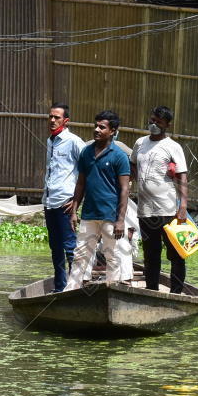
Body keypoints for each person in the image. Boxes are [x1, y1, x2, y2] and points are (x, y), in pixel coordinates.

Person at [65, 111, 132, 290]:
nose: (96, 130)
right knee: (80, 254)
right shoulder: (86, 152)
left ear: (113, 131)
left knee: (112, 255)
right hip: (89, 213)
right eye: (96, 126)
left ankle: (113, 288)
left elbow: (125, 190)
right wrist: (74, 211)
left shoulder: (119, 156)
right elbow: (80, 184)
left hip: (111, 215)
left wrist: (120, 220)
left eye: (102, 127)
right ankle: (71, 289)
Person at [131, 106, 190, 293]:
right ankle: (152, 291)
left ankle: (176, 293)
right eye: (153, 119)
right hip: (145, 211)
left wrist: (183, 207)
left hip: (168, 211)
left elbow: (182, 177)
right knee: (150, 255)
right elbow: (132, 165)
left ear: (167, 125)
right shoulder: (140, 143)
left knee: (176, 254)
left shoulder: (173, 147)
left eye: (159, 122)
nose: (154, 124)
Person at [42, 103, 82, 293]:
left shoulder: (74, 141)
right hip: (49, 202)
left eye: (57, 117)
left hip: (65, 203)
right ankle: (60, 288)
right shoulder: (51, 141)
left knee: (70, 249)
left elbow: (87, 171)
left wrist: (76, 202)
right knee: (55, 249)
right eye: (50, 116)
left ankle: (74, 289)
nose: (52, 120)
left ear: (66, 121)